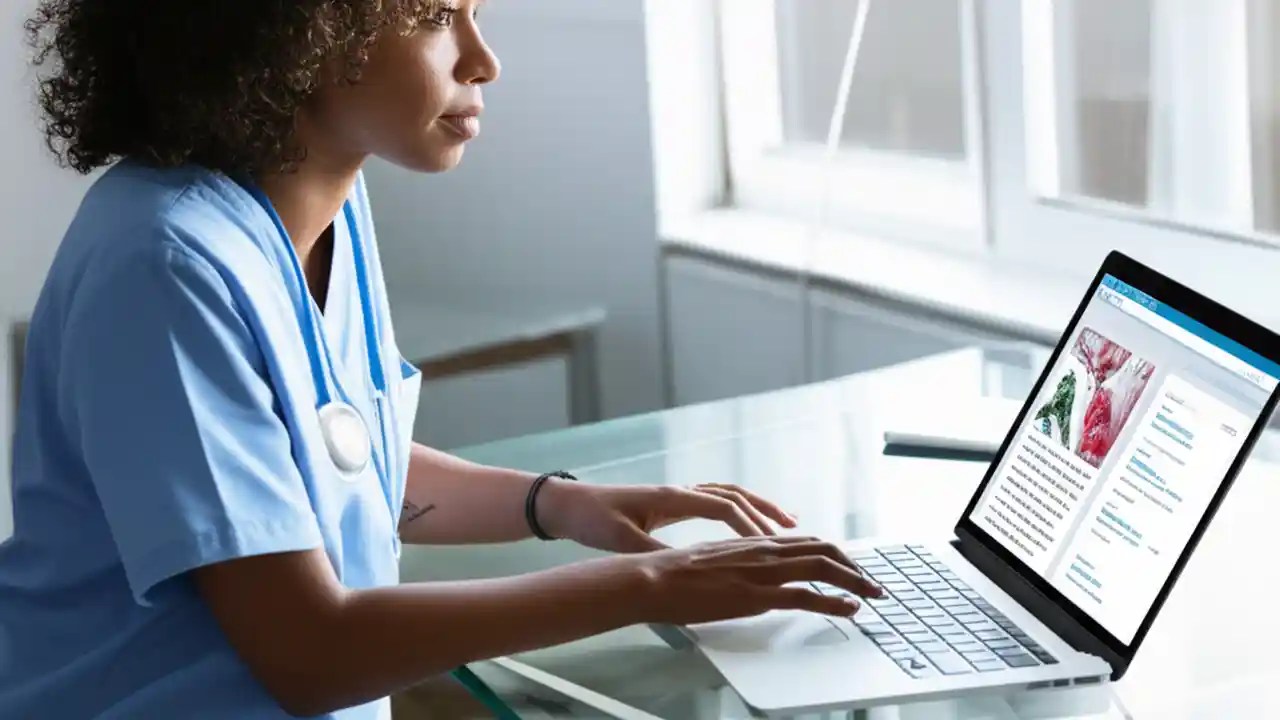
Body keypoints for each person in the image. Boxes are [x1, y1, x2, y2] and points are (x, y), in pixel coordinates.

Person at [0, 1, 882, 718]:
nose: (482, 59)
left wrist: (557, 503)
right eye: (435, 17)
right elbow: (310, 652)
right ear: (302, 31)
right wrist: (650, 582)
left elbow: (337, 464)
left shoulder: (328, 206)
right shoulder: (164, 264)